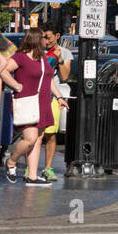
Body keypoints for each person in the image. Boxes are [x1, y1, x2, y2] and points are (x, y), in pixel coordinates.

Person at [0, 29, 68, 186]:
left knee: (37, 140)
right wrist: (16, 85)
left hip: (42, 102)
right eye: (45, 38)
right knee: (30, 139)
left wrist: (59, 97)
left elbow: (49, 79)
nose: (48, 41)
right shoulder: (21, 57)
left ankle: (32, 175)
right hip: (26, 102)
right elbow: (3, 70)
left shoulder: (43, 58)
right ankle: (11, 161)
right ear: (37, 39)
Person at [38, 28, 73, 181]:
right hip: (36, 95)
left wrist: (59, 60)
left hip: (54, 96)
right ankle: (30, 167)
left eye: (49, 37)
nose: (47, 40)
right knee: (34, 135)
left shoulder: (64, 52)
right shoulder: (37, 51)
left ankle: (47, 168)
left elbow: (65, 76)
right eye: (44, 37)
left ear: (57, 36)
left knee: (50, 134)